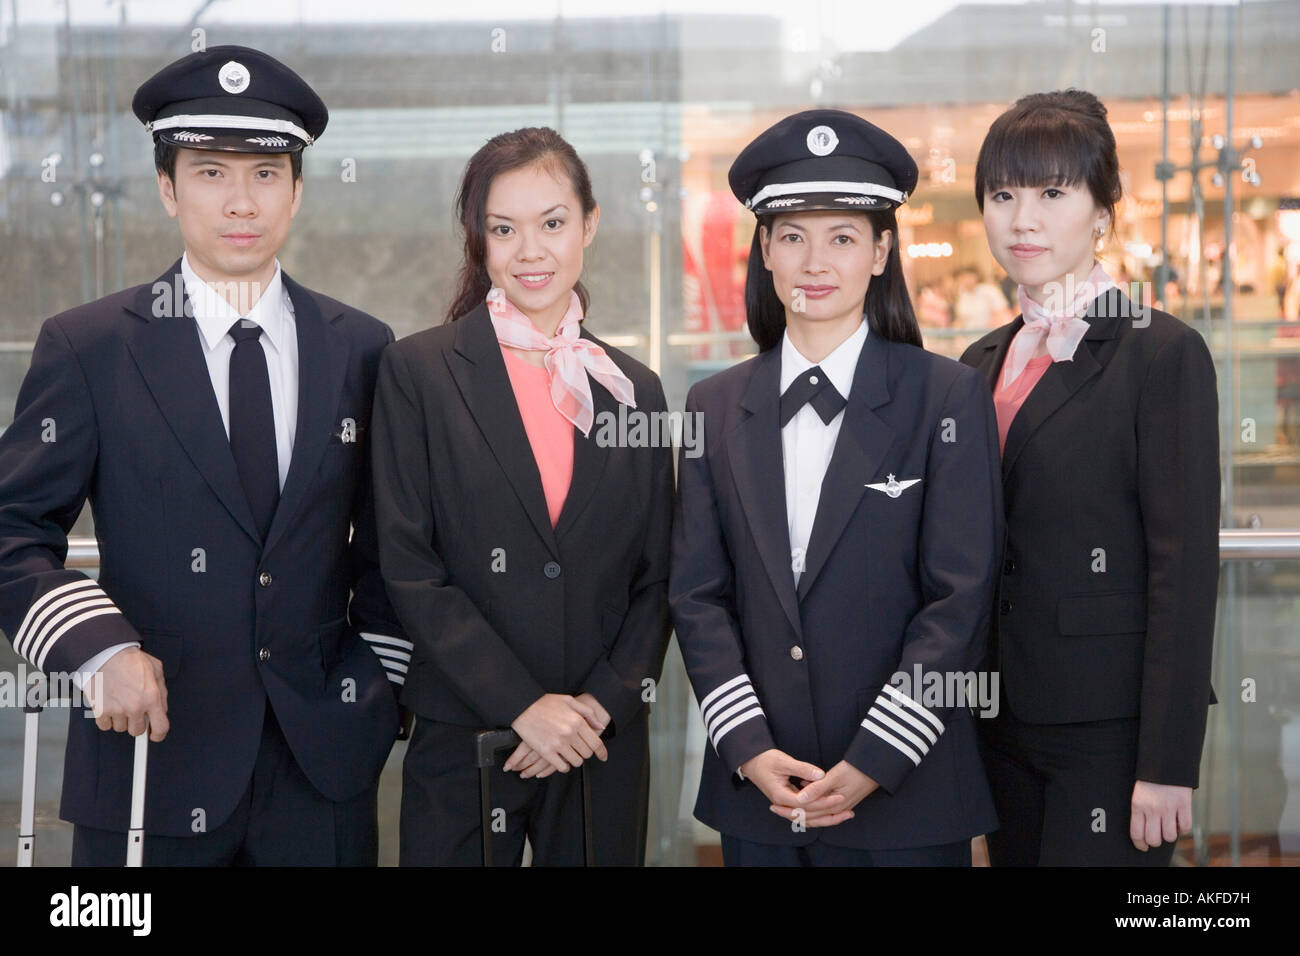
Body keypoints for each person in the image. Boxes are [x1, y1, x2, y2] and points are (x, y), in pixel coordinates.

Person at [0, 46, 408, 865]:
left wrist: (375, 693)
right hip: (149, 755)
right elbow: (11, 530)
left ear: (296, 188)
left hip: (319, 773)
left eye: (263, 173)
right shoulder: (91, 347)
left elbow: (396, 548)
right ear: (167, 187)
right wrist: (100, 650)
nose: (239, 200)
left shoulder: (362, 349)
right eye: (210, 172)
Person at [670, 109, 1002, 866]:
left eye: (843, 237)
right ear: (765, 250)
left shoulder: (946, 396)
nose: (814, 262)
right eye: (792, 236)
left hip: (908, 793)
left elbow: (961, 596)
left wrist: (877, 758)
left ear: (883, 252)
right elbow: (696, 593)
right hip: (762, 797)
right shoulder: (713, 406)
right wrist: (749, 747)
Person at [370, 127, 674, 866]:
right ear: (479, 240)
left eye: (552, 223)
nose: (530, 251)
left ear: (590, 224)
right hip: (466, 732)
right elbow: (408, 565)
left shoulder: (634, 388)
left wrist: (598, 704)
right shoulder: (420, 373)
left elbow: (660, 575)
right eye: (504, 229)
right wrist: (524, 709)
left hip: (600, 740)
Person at [959, 89, 1220, 866]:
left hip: (1110, 735)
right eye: (1002, 195)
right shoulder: (978, 361)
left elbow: (1184, 564)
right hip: (997, 724)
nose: (1022, 219)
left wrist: (1169, 764)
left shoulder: (1160, 352)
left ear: (1104, 208)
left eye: (1051, 192)